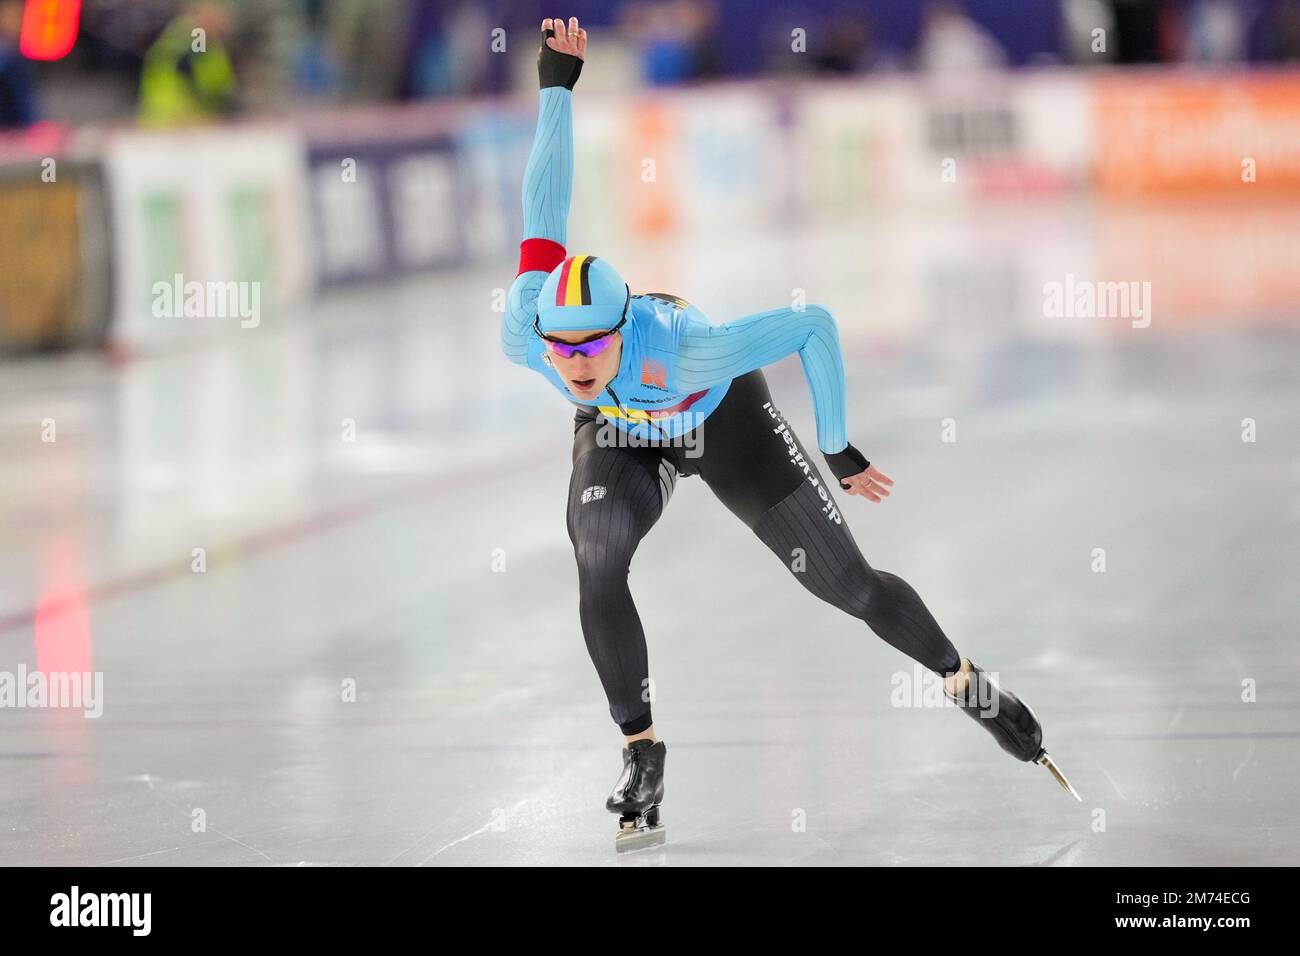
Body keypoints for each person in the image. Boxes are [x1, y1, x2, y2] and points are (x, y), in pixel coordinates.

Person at [503, 17, 1077, 849]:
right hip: (624, 435)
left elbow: (814, 325)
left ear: (625, 331)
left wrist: (837, 442)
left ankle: (972, 689)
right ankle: (641, 750)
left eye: (592, 346)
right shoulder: (530, 331)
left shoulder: (693, 350)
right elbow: (543, 208)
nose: (575, 363)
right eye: (563, 350)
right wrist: (556, 90)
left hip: (721, 419)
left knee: (850, 588)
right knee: (597, 562)